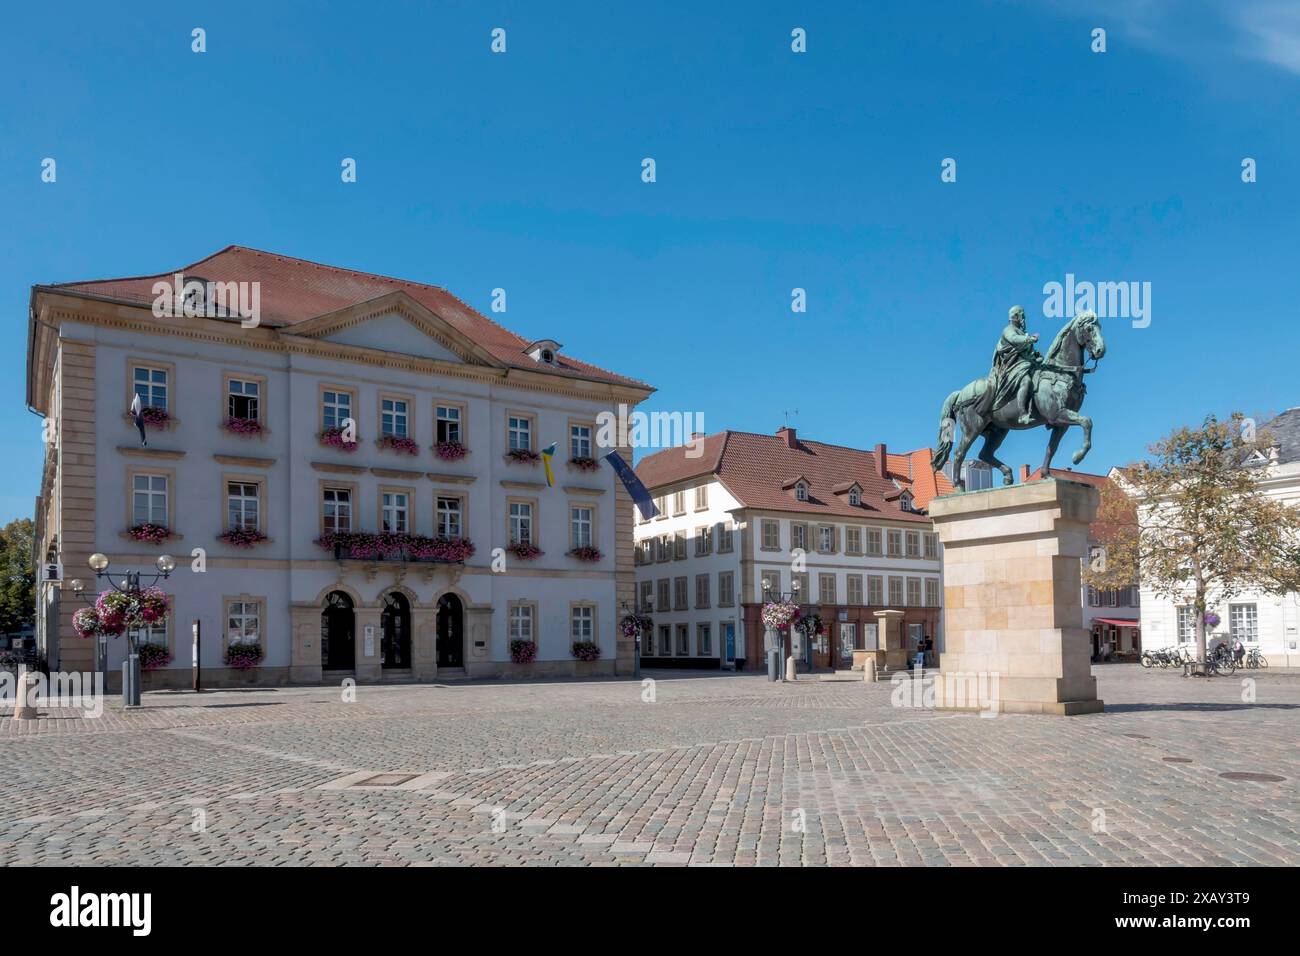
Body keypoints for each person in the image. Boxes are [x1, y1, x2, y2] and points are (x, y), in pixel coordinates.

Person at [986, 305, 1043, 424]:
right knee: (1026, 381)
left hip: (1024, 363)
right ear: (1016, 316)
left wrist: (1036, 356)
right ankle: (1022, 414)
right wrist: (1030, 339)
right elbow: (1014, 339)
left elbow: (1027, 351)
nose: (1024, 319)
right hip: (1012, 366)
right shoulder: (1008, 329)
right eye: (1022, 316)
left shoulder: (1022, 332)